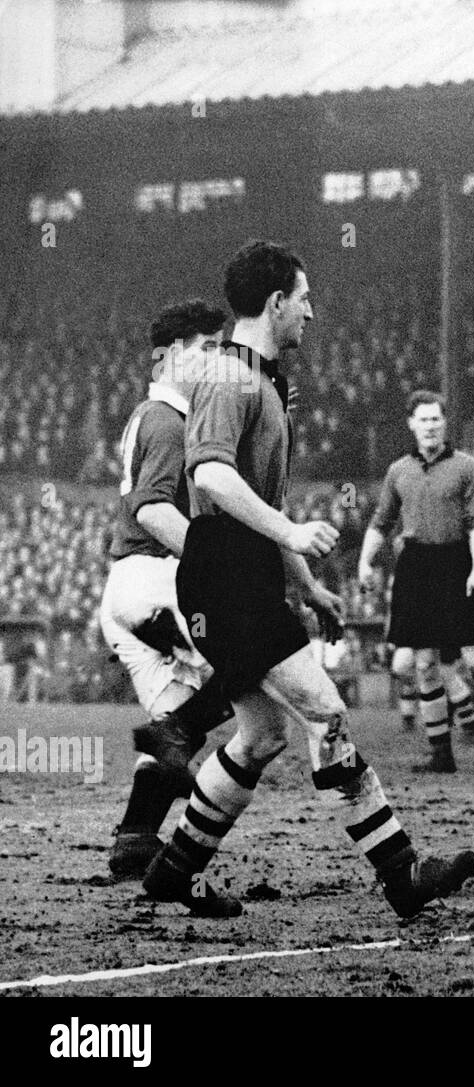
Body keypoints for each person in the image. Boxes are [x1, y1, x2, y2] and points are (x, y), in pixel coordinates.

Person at [143, 240, 474, 918]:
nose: (311, 312)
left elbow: (261, 505)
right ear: (275, 303)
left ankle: (174, 866)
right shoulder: (230, 376)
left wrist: (306, 583)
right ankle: (402, 871)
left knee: (261, 734)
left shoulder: (263, 382)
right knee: (325, 710)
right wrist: (292, 537)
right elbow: (208, 475)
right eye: (303, 298)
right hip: (225, 577)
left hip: (244, 574)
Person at [98, 299, 237, 879]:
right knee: (257, 663)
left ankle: (134, 840)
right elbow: (154, 510)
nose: (217, 359)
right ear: (175, 353)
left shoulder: (149, 415)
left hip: (127, 595)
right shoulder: (169, 422)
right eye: (208, 348)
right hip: (151, 581)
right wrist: (214, 564)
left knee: (175, 724)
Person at [357, 391, 474, 774]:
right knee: (422, 664)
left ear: (445, 423)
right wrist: (364, 563)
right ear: (412, 424)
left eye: (436, 419)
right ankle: (441, 755)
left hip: (456, 563)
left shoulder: (466, 467)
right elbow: (380, 522)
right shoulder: (398, 471)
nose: (431, 426)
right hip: (416, 566)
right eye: (424, 420)